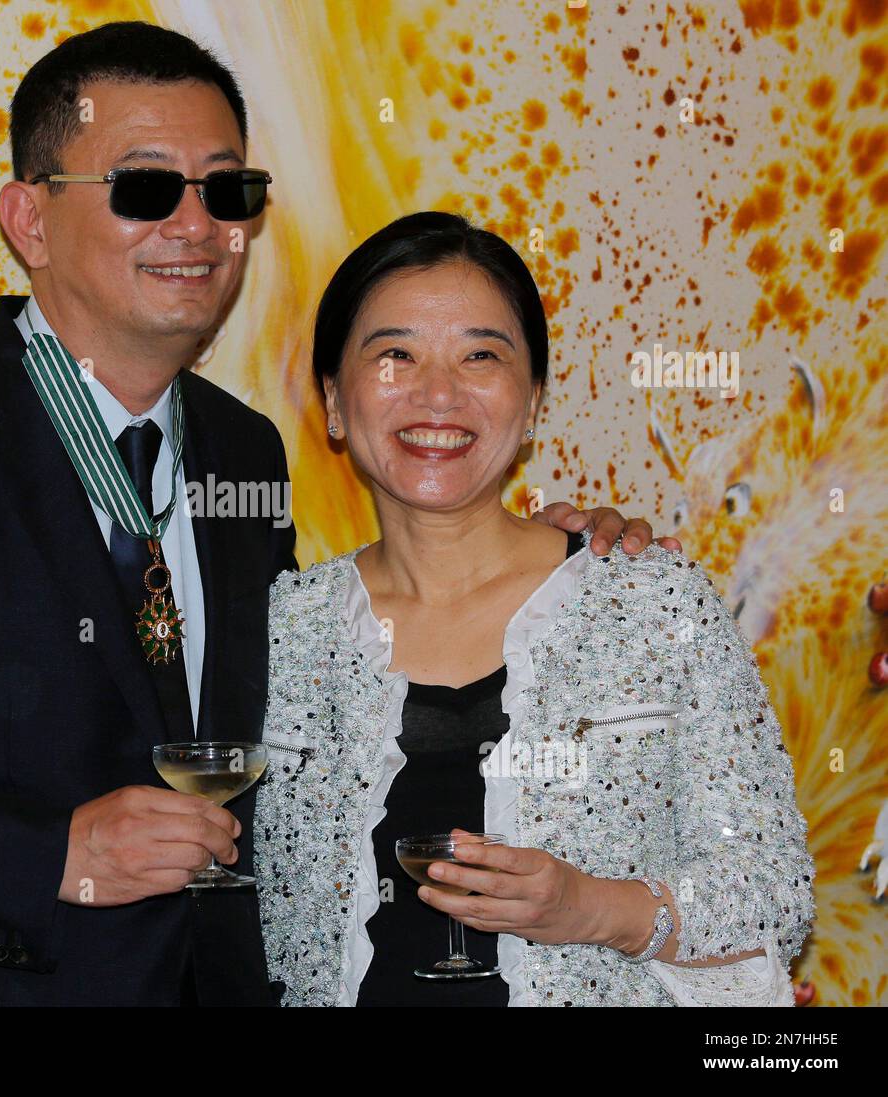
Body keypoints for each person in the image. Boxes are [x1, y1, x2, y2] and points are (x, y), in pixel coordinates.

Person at [0, 24, 667, 1007]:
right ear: (30, 218)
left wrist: (551, 558)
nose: (196, 226)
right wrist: (47, 853)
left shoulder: (243, 450)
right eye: (145, 188)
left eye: (226, 190)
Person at [254, 211, 815, 1006]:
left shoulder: (653, 600)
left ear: (533, 402)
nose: (438, 392)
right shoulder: (280, 632)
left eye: (481, 354)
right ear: (335, 403)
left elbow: (776, 891)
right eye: (395, 354)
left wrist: (592, 906)